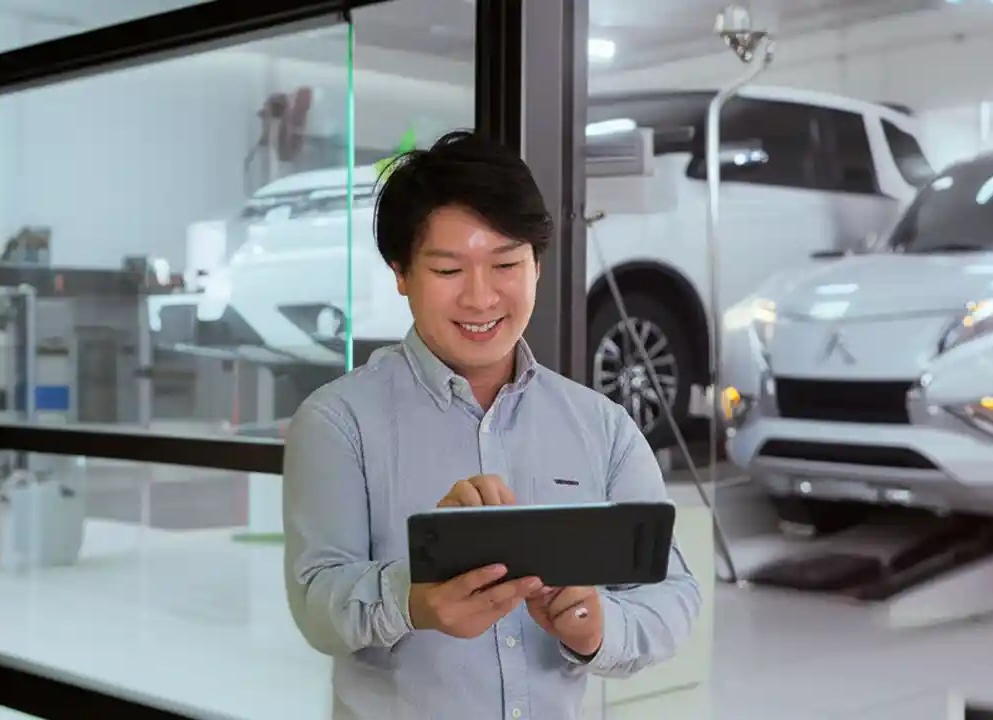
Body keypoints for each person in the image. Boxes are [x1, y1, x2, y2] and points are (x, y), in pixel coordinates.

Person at [283, 130, 701, 720]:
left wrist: (595, 625)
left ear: (536, 265)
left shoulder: (599, 425)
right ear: (401, 272)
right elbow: (314, 602)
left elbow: (673, 593)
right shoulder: (338, 422)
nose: (481, 298)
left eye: (505, 263)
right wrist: (414, 598)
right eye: (449, 269)